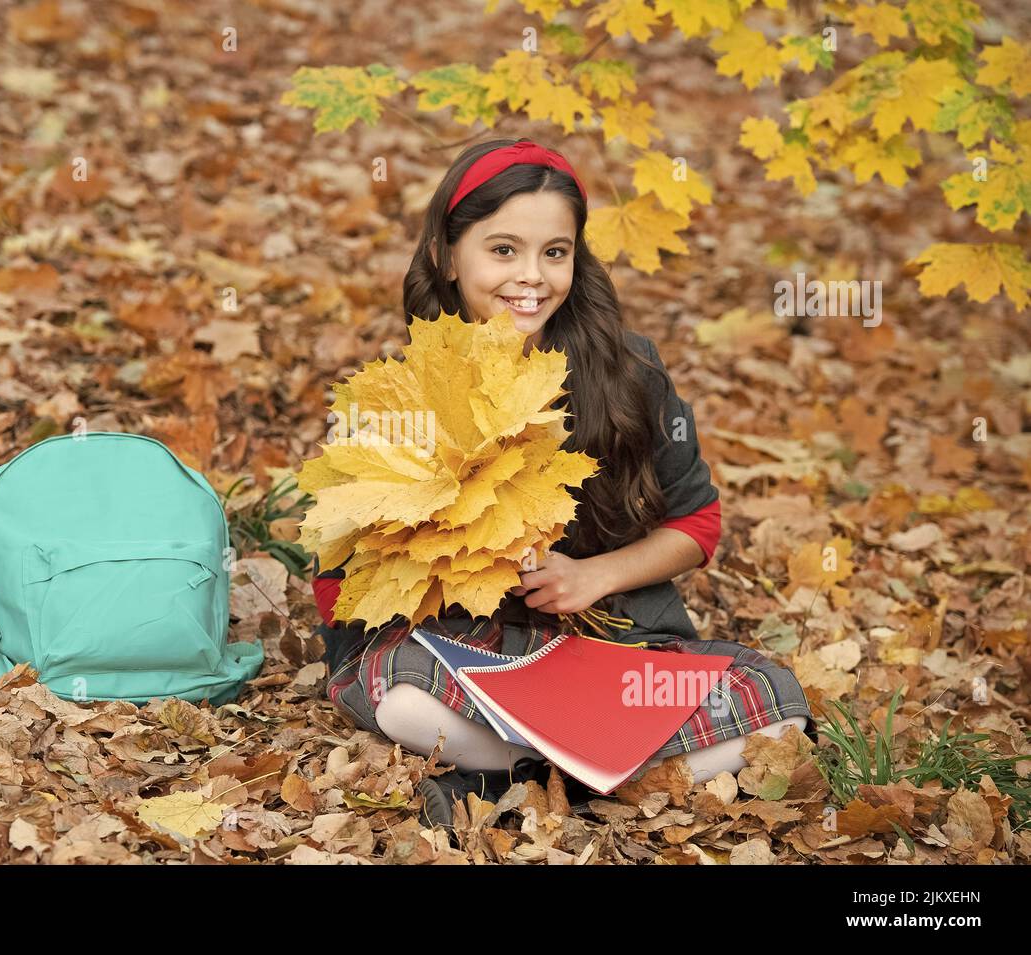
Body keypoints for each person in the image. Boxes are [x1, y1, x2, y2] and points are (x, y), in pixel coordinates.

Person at [308, 138, 816, 838]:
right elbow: (341, 582)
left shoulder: (629, 374)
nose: (532, 276)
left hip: (608, 654)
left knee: (777, 704)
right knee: (401, 695)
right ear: (449, 257)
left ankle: (516, 778)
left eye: (555, 251)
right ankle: (592, 776)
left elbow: (697, 525)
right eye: (504, 250)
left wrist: (592, 576)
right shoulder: (410, 391)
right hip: (475, 654)